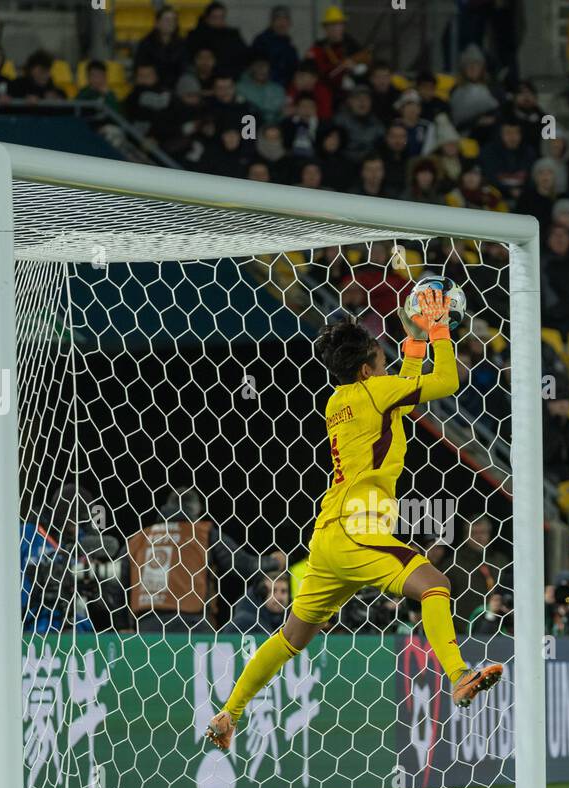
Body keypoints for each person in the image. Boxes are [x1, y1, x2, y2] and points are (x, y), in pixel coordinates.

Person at [204, 291, 501, 750]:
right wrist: (440, 328)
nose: (384, 370)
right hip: (357, 527)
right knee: (436, 584)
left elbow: (398, 395)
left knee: (290, 639)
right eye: (380, 363)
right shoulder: (375, 391)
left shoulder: (341, 400)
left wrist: (414, 341)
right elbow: (445, 381)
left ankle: (229, 712)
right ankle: (459, 675)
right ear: (367, 370)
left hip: (328, 535)